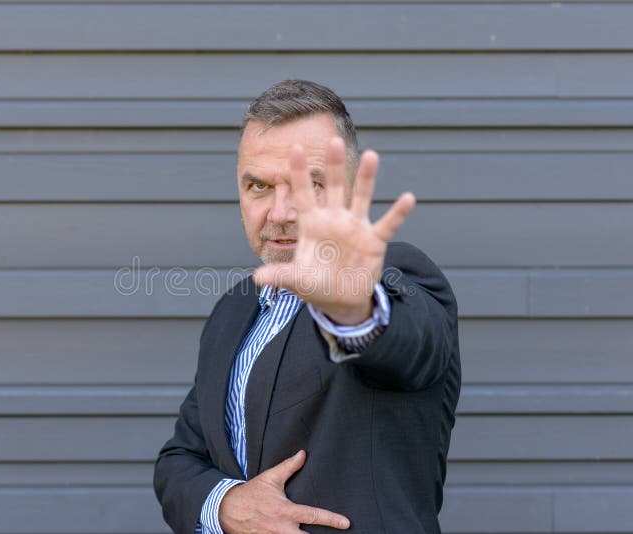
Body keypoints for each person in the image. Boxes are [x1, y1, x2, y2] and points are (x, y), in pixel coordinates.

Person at [154, 80, 461, 533]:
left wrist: (353, 309)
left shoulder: (398, 277)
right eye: (258, 186)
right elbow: (180, 461)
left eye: (309, 184)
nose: (280, 213)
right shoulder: (232, 312)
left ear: (352, 190)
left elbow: (410, 345)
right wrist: (229, 503)